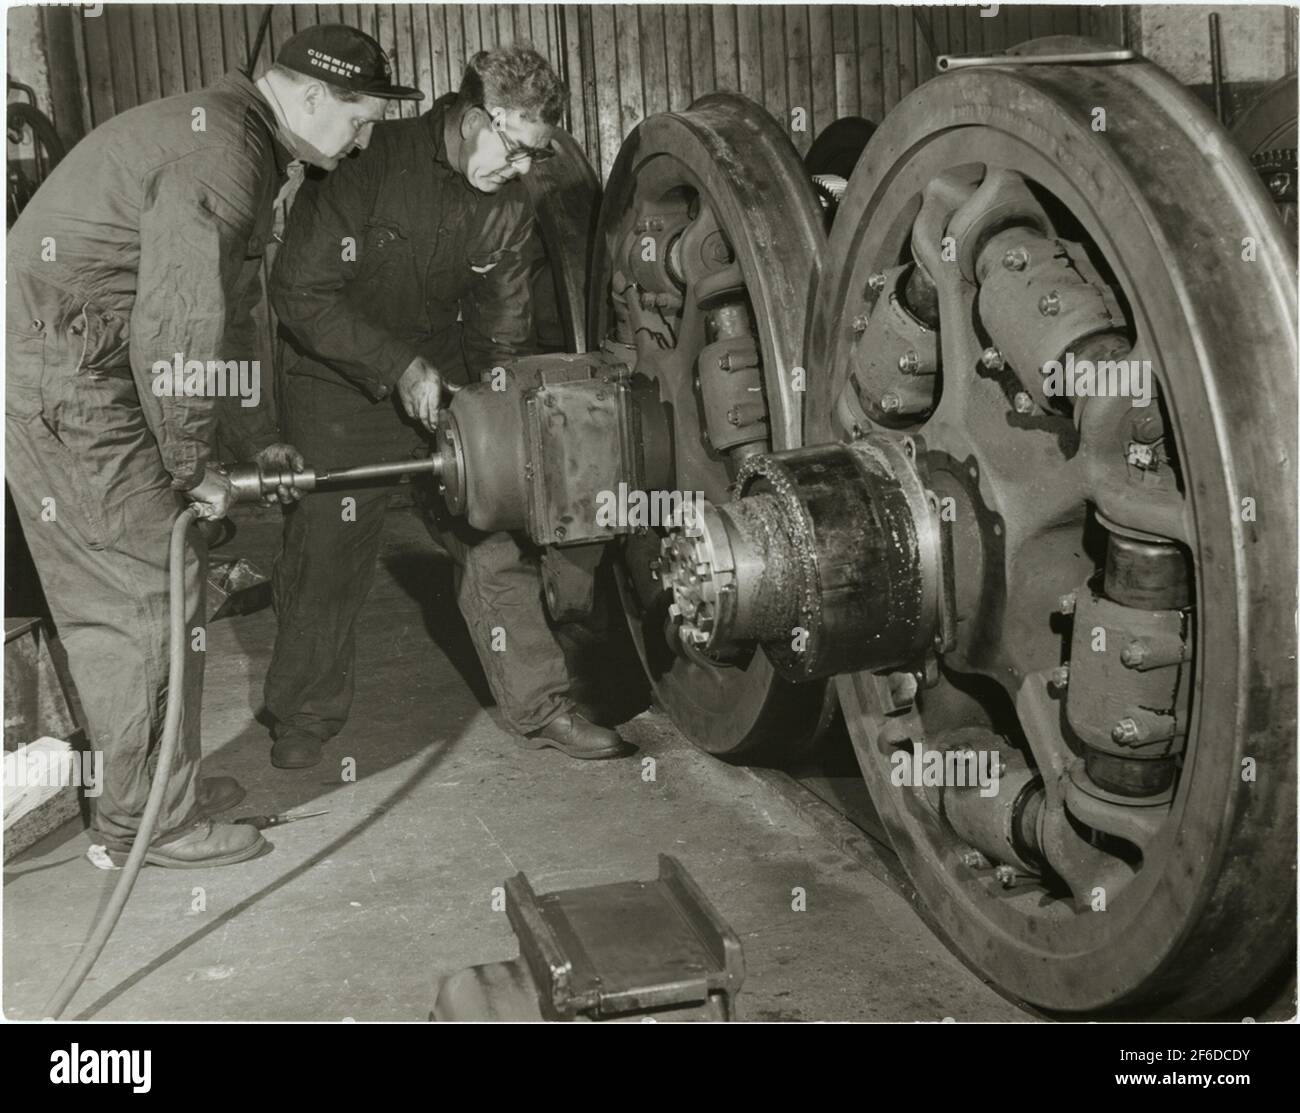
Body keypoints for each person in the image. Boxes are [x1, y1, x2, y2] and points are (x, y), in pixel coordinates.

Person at [4, 25, 421, 868]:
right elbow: (180, 331)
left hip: (79, 359)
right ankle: (146, 824)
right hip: (66, 377)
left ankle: (162, 787)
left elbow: (227, 315)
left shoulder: (240, 141)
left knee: (166, 578)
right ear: (307, 97)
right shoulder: (224, 157)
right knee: (144, 590)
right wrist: (195, 471)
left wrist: (255, 441)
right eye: (362, 116)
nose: (369, 135)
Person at [265, 45, 631, 770]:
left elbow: (505, 319)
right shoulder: (368, 162)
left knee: (489, 538)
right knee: (329, 550)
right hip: (342, 383)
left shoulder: (510, 204)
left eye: (536, 156)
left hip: (443, 381)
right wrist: (396, 367)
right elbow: (299, 293)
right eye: (517, 150)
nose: (524, 170)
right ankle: (303, 712)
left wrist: (493, 408)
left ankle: (542, 702)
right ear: (475, 120)